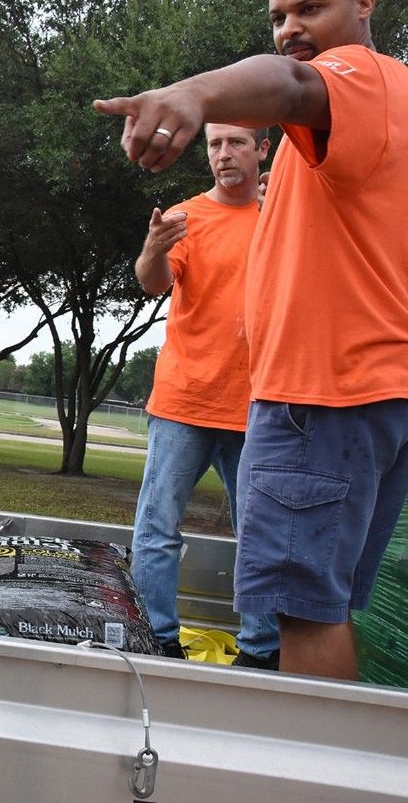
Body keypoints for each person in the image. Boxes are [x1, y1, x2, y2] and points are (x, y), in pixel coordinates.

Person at [95, 0, 408, 680]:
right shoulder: (358, 123)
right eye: (277, 17)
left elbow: (295, 83)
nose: (290, 29)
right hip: (369, 394)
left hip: (318, 397)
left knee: (304, 612)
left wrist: (194, 92)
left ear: (365, 5)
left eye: (310, 10)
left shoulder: (357, 80)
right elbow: (152, 283)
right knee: (323, 604)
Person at [131, 123, 280, 668]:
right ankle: (158, 639)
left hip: (260, 405)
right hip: (183, 403)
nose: (223, 154)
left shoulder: (286, 209)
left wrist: (285, 207)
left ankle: (262, 651)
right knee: (156, 527)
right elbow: (152, 281)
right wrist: (151, 248)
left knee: (261, 537)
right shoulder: (185, 217)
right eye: (215, 144)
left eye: (237, 142)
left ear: (263, 149)